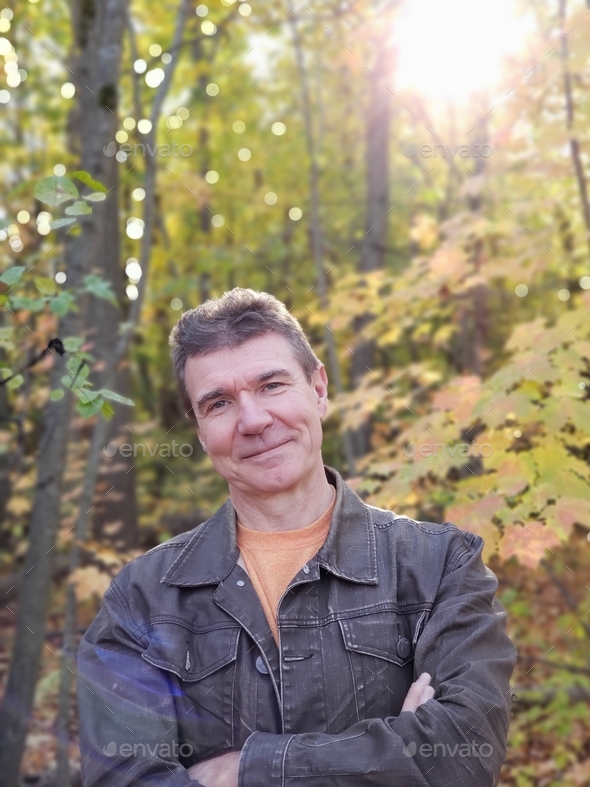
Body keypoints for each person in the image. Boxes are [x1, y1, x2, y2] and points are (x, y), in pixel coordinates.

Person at [77, 288, 517, 787]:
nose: (254, 420)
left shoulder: (440, 567)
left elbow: (460, 756)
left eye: (271, 385)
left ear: (319, 388)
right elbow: (123, 779)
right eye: (219, 403)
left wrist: (244, 768)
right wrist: (389, 755)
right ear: (200, 431)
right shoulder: (142, 598)